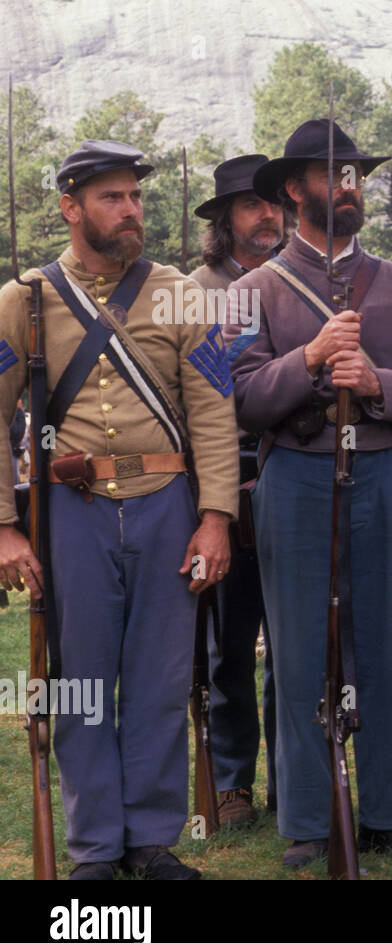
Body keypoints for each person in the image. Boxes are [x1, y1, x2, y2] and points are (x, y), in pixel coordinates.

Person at [0, 139, 239, 879]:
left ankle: (149, 840)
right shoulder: (23, 299)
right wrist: (5, 528)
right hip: (71, 508)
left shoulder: (178, 292)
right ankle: (96, 847)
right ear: (70, 207)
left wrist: (216, 515)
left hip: (168, 501)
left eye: (135, 196)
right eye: (112, 197)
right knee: (83, 679)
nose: (130, 209)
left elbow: (213, 408)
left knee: (163, 679)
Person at [223, 119, 392, 869]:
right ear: (294, 190)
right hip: (294, 475)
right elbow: (242, 397)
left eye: (355, 175)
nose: (349, 187)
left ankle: (388, 814)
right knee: (297, 651)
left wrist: (379, 383)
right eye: (333, 175)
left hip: (381, 471)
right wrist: (311, 360)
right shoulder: (251, 292)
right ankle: (309, 820)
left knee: (387, 645)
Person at [190, 153, 284, 827]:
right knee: (229, 645)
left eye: (274, 203)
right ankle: (231, 783)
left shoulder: (299, 284)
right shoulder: (193, 292)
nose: (267, 216)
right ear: (225, 219)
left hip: (290, 475)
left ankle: (295, 774)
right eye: (252, 205)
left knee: (296, 641)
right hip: (223, 484)